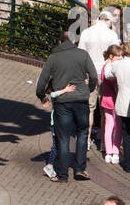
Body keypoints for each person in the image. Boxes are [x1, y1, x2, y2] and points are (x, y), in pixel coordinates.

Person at [36, 31, 98, 181]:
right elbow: (94, 76)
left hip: (62, 103)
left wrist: (43, 97)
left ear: (59, 42)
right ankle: (80, 169)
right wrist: (87, 90)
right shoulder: (83, 55)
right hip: (81, 100)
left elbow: (41, 83)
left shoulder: (53, 57)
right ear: (75, 41)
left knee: (63, 138)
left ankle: (63, 174)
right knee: (82, 134)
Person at [78, 10, 120, 149]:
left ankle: (87, 139)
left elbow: (81, 54)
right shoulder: (111, 34)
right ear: (108, 21)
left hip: (89, 73)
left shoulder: (86, 32)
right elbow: (116, 56)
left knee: (89, 108)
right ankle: (103, 142)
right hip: (105, 74)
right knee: (105, 110)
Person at [104, 41, 130, 181]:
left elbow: (107, 75)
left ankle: (129, 164)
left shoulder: (118, 64)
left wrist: (109, 61)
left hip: (123, 102)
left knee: (127, 133)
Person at [100, 45, 122, 163]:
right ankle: (115, 152)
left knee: (109, 126)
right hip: (115, 101)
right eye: (119, 56)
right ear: (112, 56)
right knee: (117, 128)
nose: (121, 58)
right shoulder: (112, 69)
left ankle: (108, 152)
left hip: (106, 100)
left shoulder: (104, 67)